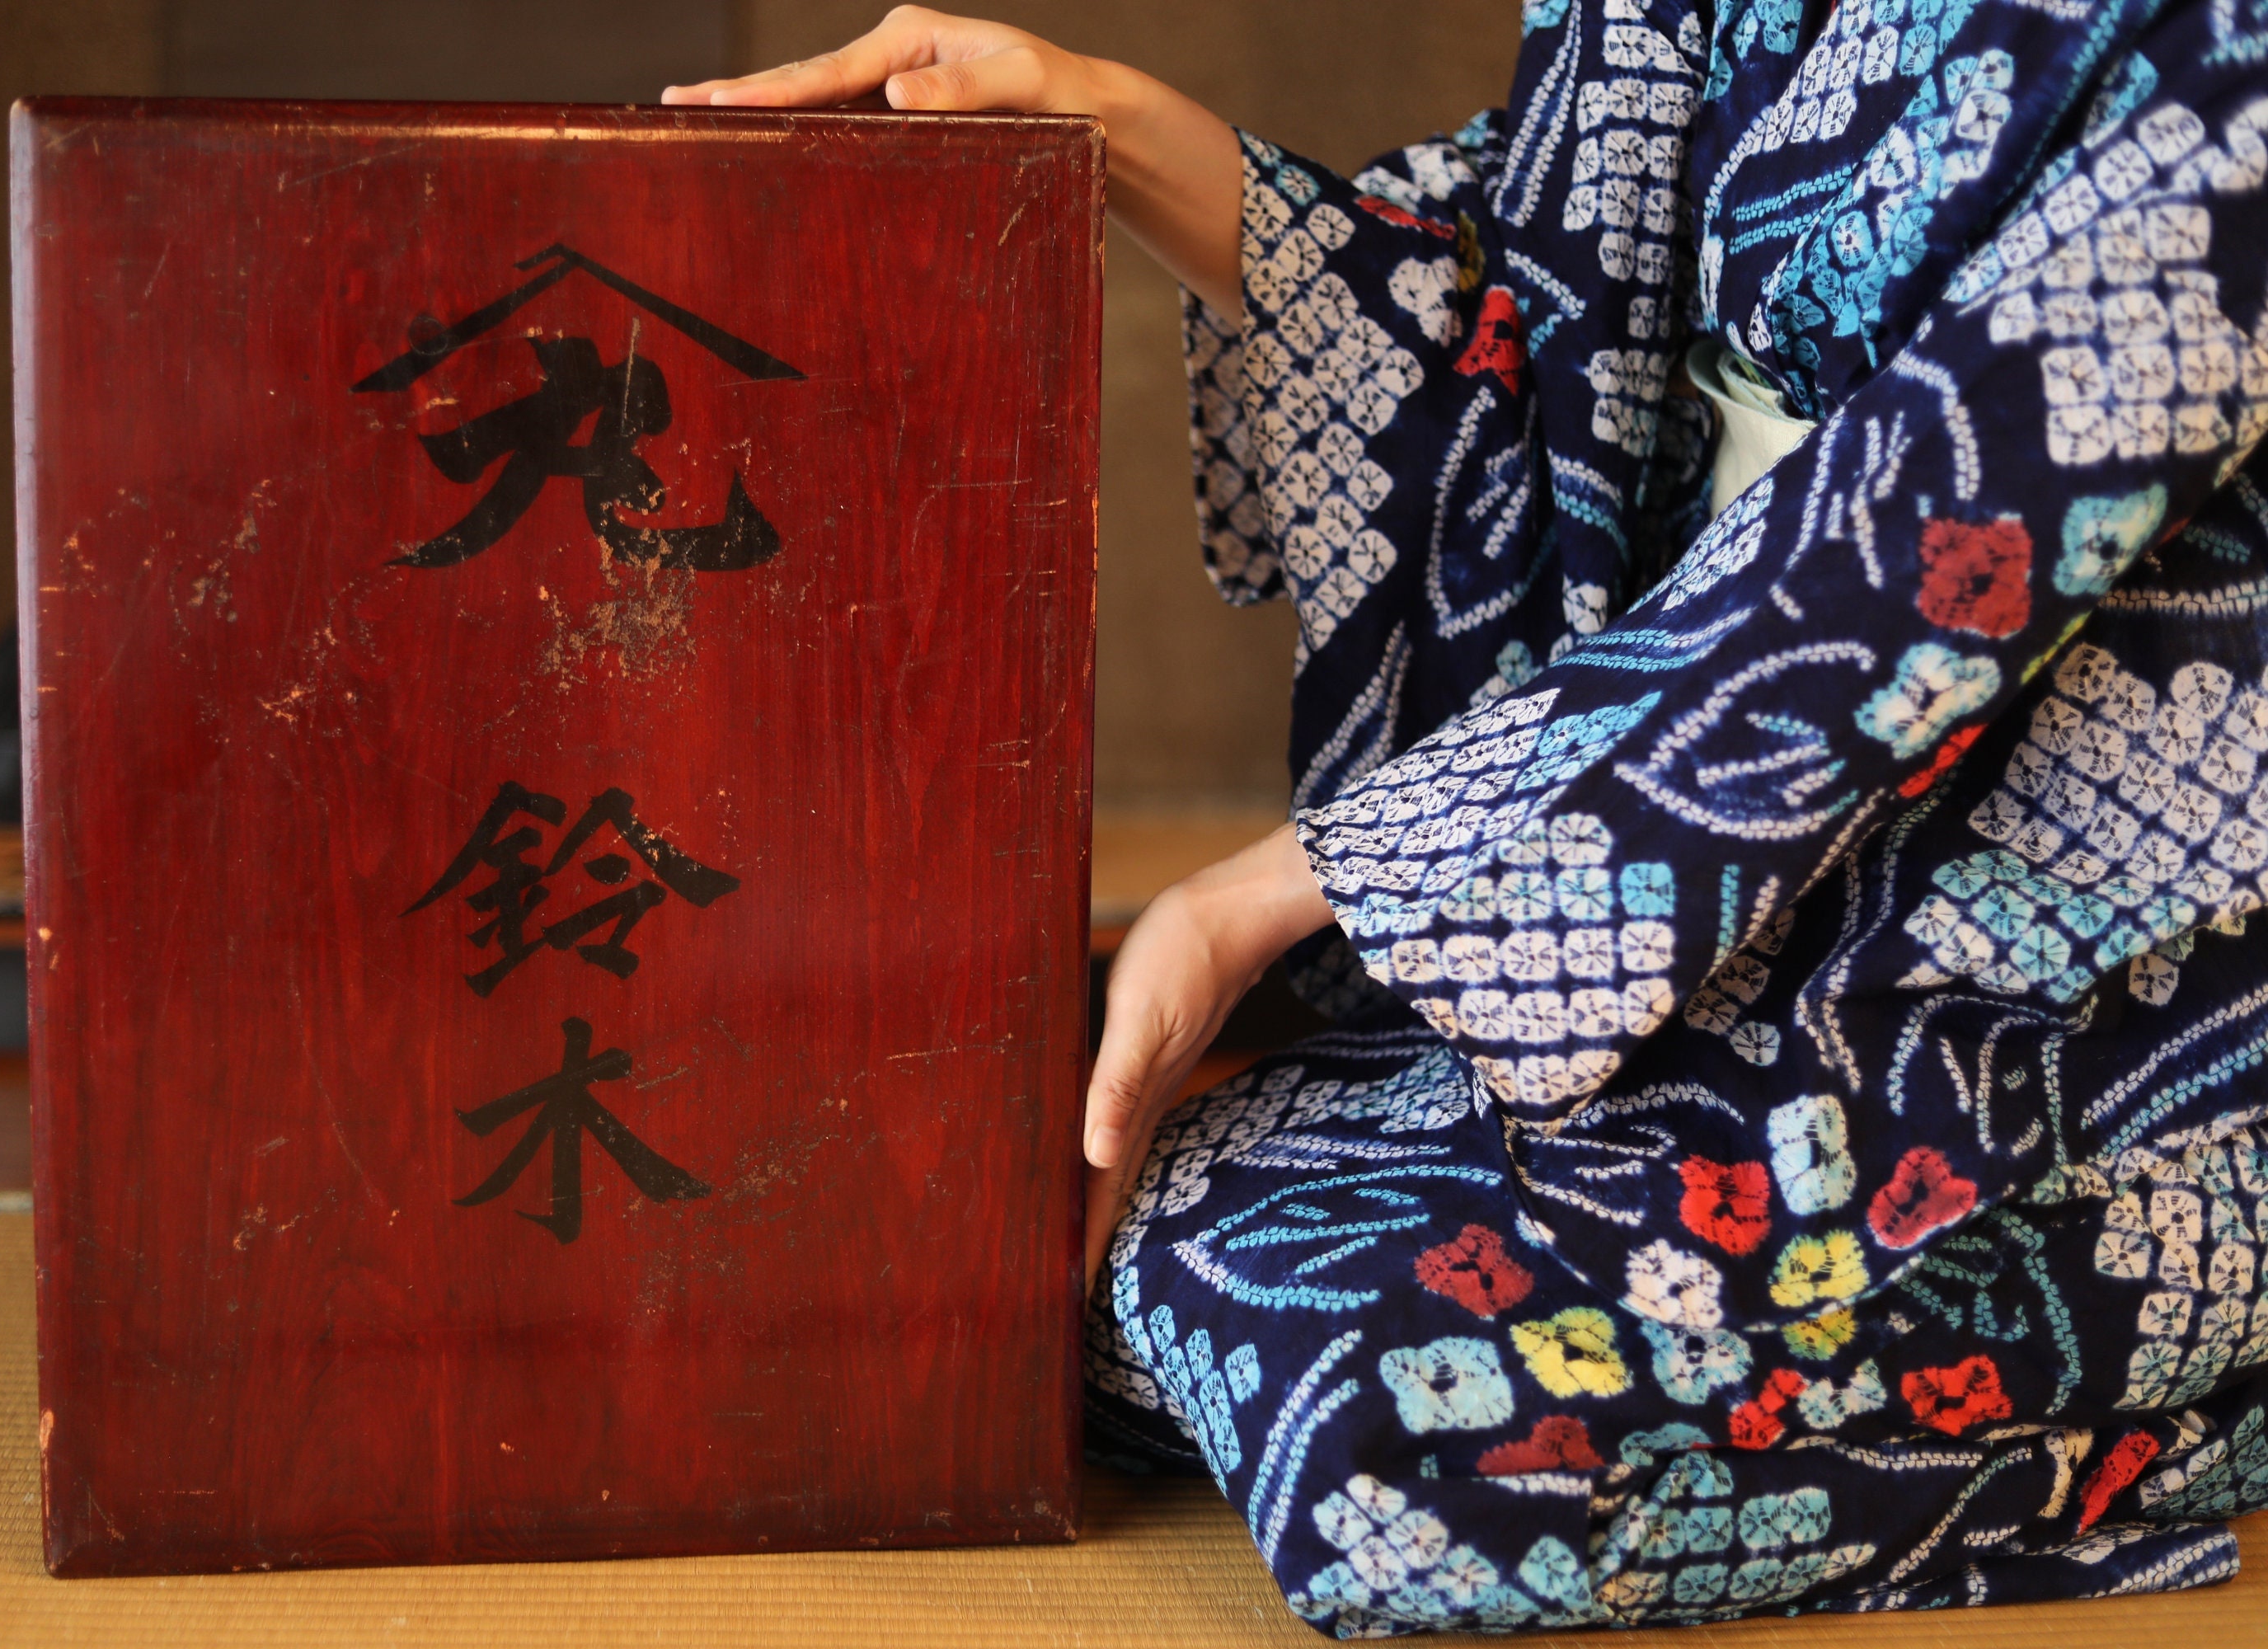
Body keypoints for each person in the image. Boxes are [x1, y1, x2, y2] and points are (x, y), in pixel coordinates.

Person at [669, 2, 2268, 1630]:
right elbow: (1544, 313)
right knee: (1031, 1248)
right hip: (1713, 901)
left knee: (1371, 1445)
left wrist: (1263, 895)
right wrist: (1112, 125)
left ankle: (2172, 1420)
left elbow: (1916, 537)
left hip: (2062, 974)